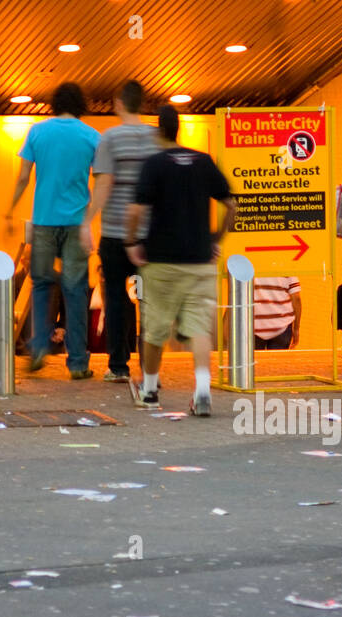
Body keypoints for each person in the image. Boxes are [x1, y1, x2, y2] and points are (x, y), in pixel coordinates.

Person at [124, 105, 236, 415]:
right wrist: (216, 239)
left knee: (156, 327)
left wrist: (133, 243)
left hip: (161, 261)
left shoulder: (154, 164)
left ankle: (149, 390)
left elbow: (135, 211)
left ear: (159, 131)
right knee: (199, 328)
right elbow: (231, 205)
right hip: (200, 260)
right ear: (179, 129)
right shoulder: (203, 161)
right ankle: (202, 392)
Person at [4, 82, 100, 379]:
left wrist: (9, 210)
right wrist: (89, 220)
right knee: (74, 290)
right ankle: (78, 363)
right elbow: (100, 183)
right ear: (81, 104)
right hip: (74, 224)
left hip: (43, 222)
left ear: (54, 103)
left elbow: (22, 177)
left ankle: (39, 348)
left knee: (42, 284)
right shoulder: (91, 136)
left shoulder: (37, 132)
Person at [80, 80, 159, 382]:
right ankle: (150, 370)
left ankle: (118, 366)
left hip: (115, 232)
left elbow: (103, 183)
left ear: (118, 103)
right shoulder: (156, 137)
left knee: (115, 297)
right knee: (149, 300)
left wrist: (87, 220)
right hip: (148, 233)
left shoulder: (109, 138)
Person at [253, 276, 302, 349]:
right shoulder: (286, 268)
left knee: (256, 359)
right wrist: (296, 328)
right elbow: (296, 299)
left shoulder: (252, 267)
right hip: (282, 325)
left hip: (254, 325)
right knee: (278, 358)